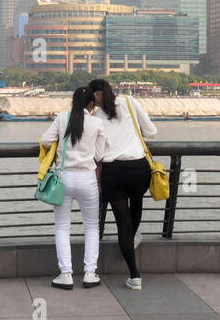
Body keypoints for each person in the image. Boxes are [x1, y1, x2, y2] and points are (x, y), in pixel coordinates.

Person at [89, 78, 157, 290]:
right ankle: (133, 238)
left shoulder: (95, 117)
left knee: (122, 224)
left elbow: (96, 150)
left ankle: (134, 276)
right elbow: (152, 131)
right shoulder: (130, 102)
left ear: (95, 96)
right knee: (136, 203)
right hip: (139, 168)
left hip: (114, 172)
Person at [39, 86, 106, 290]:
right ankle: (90, 273)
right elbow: (100, 155)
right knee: (92, 227)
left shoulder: (62, 118)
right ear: (91, 103)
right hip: (87, 179)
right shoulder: (97, 123)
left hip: (63, 178)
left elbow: (45, 140)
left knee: (62, 227)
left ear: (73, 101)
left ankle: (66, 274)